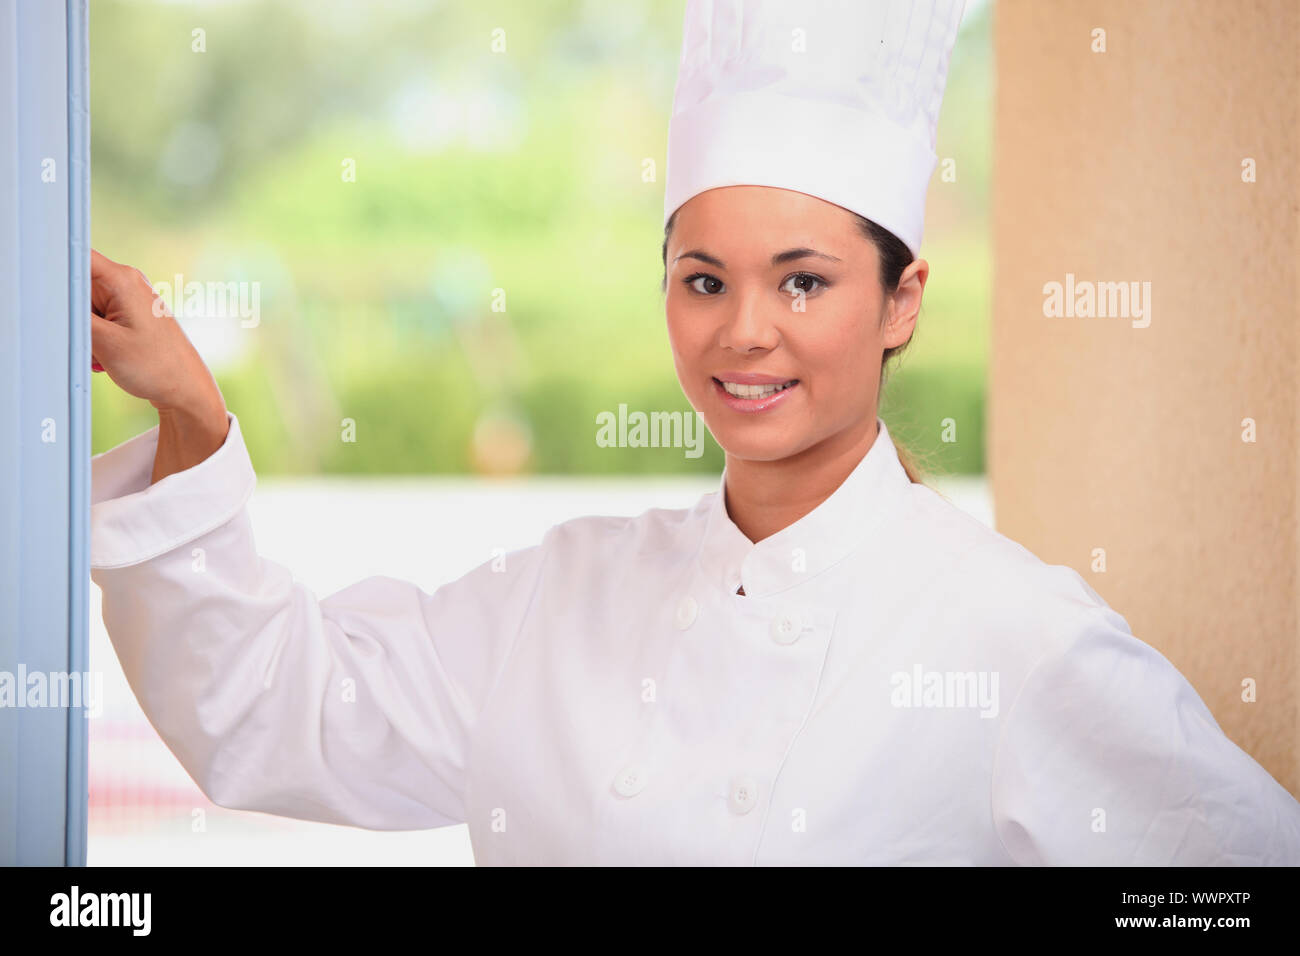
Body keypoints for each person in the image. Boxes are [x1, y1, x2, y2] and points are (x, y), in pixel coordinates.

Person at [88, 0, 1300, 865]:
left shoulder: (1015, 636)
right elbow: (278, 706)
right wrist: (192, 410)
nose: (744, 334)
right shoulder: (560, 598)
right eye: (704, 279)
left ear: (904, 299)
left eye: (805, 282)